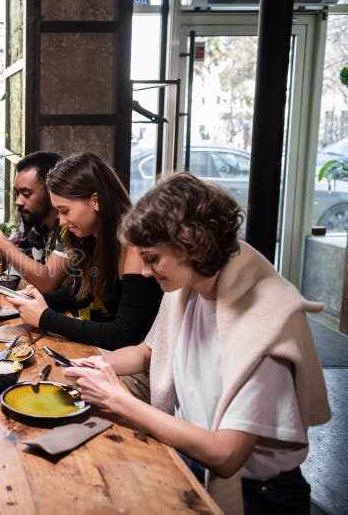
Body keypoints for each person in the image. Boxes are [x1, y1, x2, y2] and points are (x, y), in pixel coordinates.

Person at [63, 172, 330, 514]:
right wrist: (94, 366)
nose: (145, 272)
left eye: (152, 258)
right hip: (191, 461)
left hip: (260, 496)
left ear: (190, 243)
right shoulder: (189, 288)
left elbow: (226, 455)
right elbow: (148, 353)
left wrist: (118, 399)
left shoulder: (266, 322)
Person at [6, 153, 163, 351]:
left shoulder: (134, 244)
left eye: (65, 211)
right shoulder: (94, 237)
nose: (62, 221)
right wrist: (34, 299)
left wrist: (45, 318)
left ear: (95, 200)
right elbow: (82, 292)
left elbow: (124, 334)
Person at [0, 151, 70, 291]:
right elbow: (1, 265)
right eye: (17, 193)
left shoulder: (70, 226)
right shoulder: (31, 222)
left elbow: (48, 283)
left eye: (26, 194)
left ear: (51, 191)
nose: (18, 201)